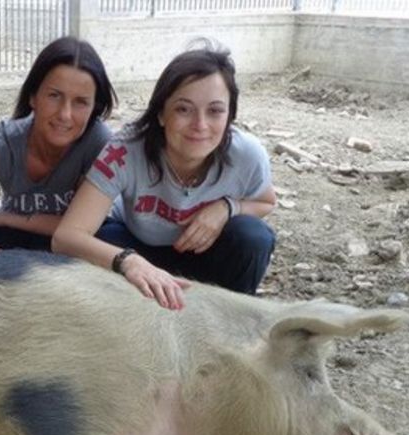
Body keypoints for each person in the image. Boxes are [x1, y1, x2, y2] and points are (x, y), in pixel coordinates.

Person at [52, 43, 277, 311]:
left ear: (230, 115)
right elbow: (66, 237)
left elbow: (266, 202)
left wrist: (227, 208)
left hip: (207, 257)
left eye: (215, 110)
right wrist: (129, 261)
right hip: (140, 250)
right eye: (183, 109)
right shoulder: (125, 150)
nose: (200, 125)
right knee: (103, 237)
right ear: (161, 113)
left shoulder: (246, 154)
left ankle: (232, 316)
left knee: (252, 236)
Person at [0, 36, 117, 262]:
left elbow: (78, 229)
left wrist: (4, 218)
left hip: (73, 242)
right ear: (33, 97)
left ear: (95, 107)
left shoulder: (99, 143)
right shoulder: (2, 145)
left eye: (80, 102)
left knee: (113, 236)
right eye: (54, 96)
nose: (65, 114)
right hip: (15, 240)